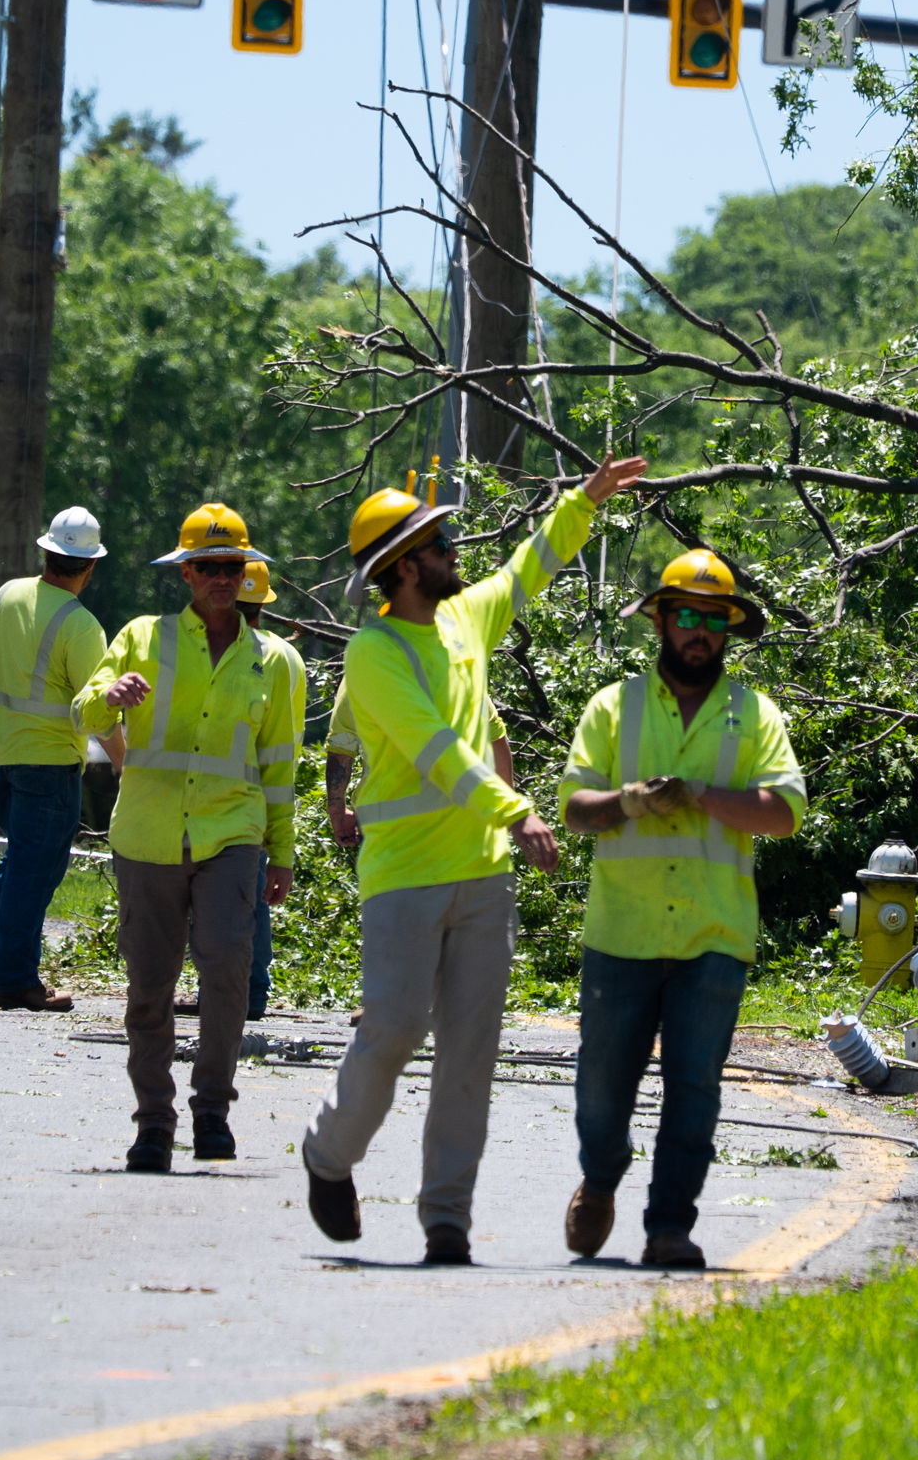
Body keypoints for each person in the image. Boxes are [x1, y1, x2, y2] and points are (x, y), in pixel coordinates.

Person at [302, 455, 647, 1265]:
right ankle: (328, 1154)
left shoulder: (466, 622)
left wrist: (583, 501)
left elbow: (529, 569)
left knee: (469, 1050)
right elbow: (440, 755)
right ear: (406, 565)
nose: (457, 550)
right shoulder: (374, 654)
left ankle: (446, 1219)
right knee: (391, 1030)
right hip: (404, 879)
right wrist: (516, 808)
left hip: (480, 878)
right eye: (442, 542)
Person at [557, 551, 805, 1268]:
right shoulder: (614, 706)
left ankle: (669, 1226)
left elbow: (783, 813)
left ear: (730, 632)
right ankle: (600, 1179)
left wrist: (698, 795)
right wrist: (630, 801)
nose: (700, 632)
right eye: (687, 616)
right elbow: (574, 809)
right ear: (661, 620)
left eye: (714, 620)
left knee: (693, 1088)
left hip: (714, 934)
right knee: (602, 1088)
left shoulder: (755, 716)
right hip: (622, 932)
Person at [78, 503, 301, 1174]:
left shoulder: (277, 663)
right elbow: (85, 706)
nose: (221, 578)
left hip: (232, 833)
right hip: (148, 835)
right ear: (185, 572)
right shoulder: (143, 638)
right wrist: (109, 696)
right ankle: (153, 1123)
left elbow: (280, 767)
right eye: (207, 567)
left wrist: (282, 854)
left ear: (246, 572)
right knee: (149, 986)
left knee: (228, 967)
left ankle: (212, 1110)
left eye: (232, 566)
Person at [0, 505, 109, 1013]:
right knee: (35, 868)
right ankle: (13, 979)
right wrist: (132, 769)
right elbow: (99, 710)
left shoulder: (4, 597)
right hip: (46, 763)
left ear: (46, 552)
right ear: (89, 567)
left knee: (18, 861)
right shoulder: (81, 625)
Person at [236, 561, 310, 1022]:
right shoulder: (288, 656)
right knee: (252, 891)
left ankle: (245, 991)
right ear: (264, 604)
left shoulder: (223, 650)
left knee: (229, 893)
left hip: (227, 788)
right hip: (271, 782)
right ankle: (251, 989)